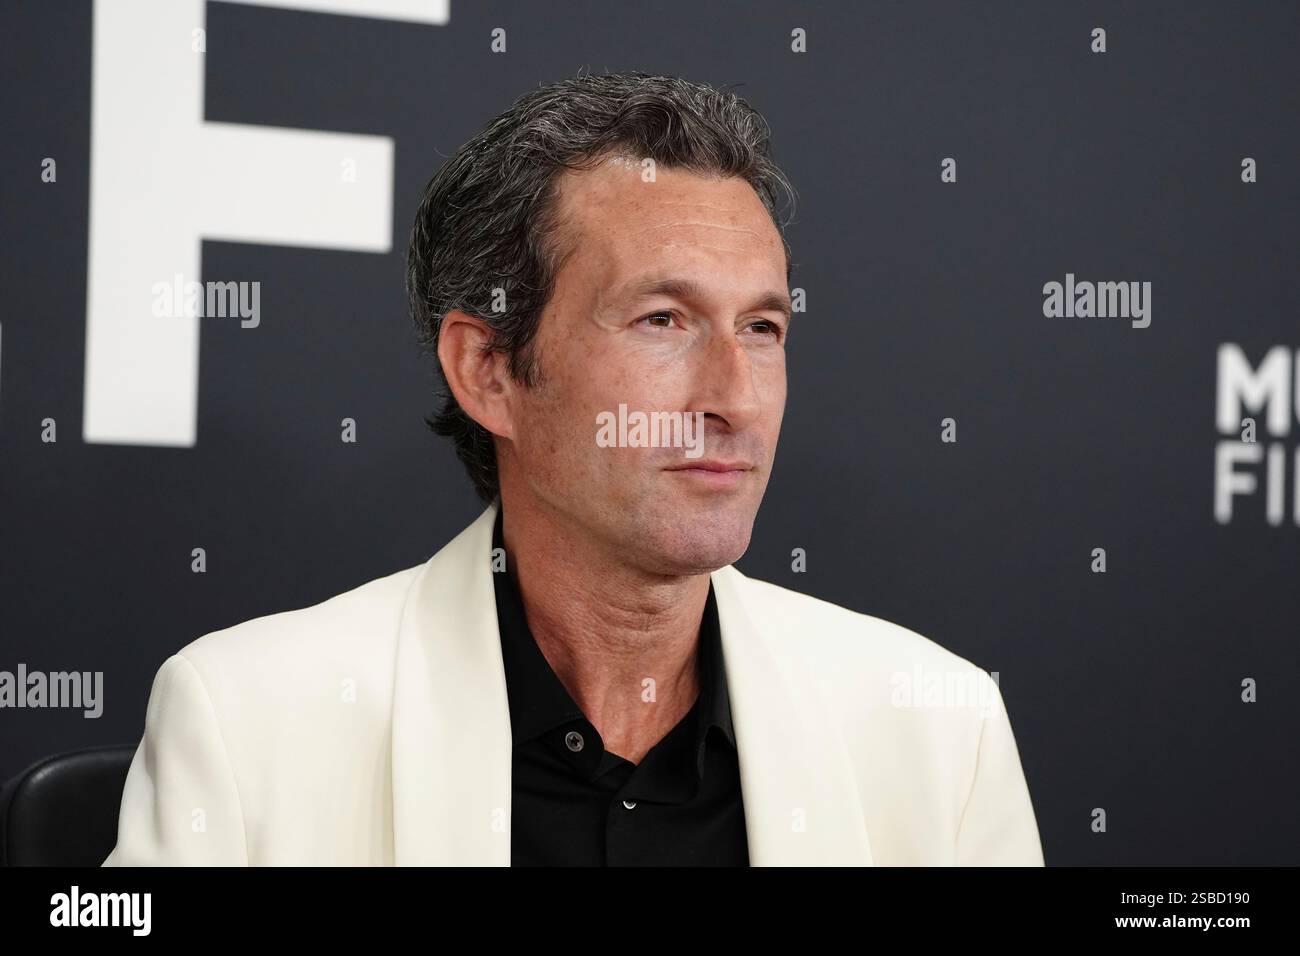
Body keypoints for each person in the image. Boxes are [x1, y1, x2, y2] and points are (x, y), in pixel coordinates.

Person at [104, 71, 1044, 866]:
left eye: (761, 328)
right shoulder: (246, 723)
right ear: (490, 371)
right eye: (662, 320)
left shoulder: (938, 729)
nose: (737, 397)